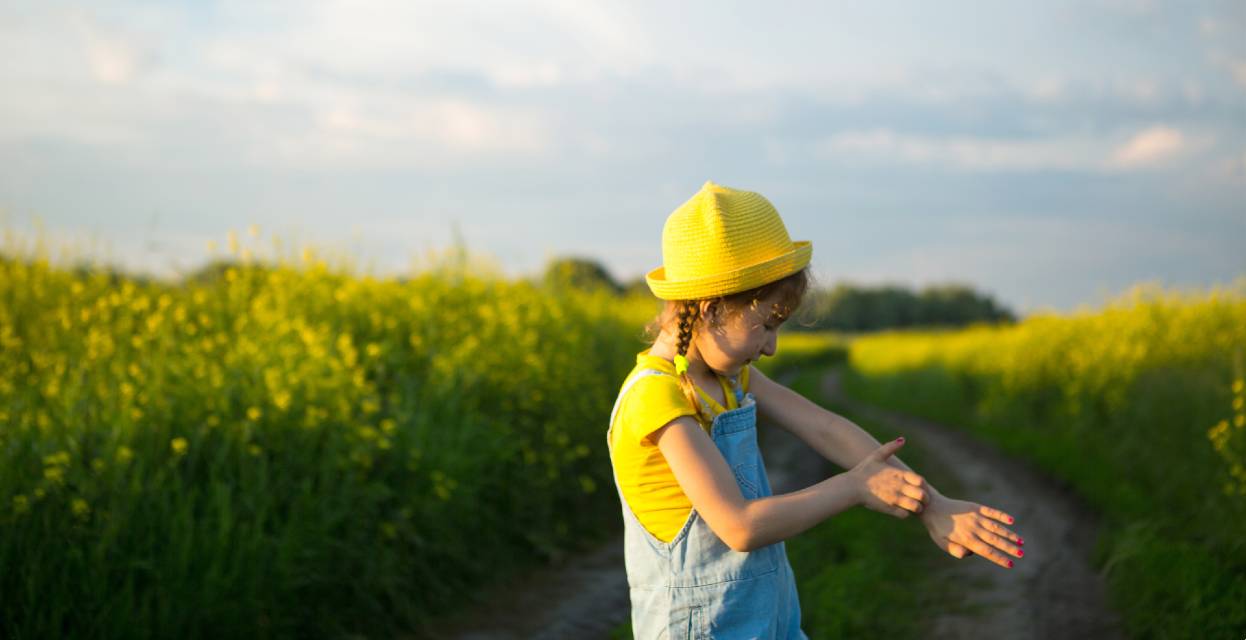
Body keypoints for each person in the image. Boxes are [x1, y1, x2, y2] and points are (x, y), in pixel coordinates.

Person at [606, 180, 1025, 638]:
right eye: (766, 326)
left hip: (770, 623)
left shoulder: (729, 378)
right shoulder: (655, 397)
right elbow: (739, 527)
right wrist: (852, 488)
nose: (771, 347)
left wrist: (933, 505)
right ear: (708, 310)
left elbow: (827, 429)